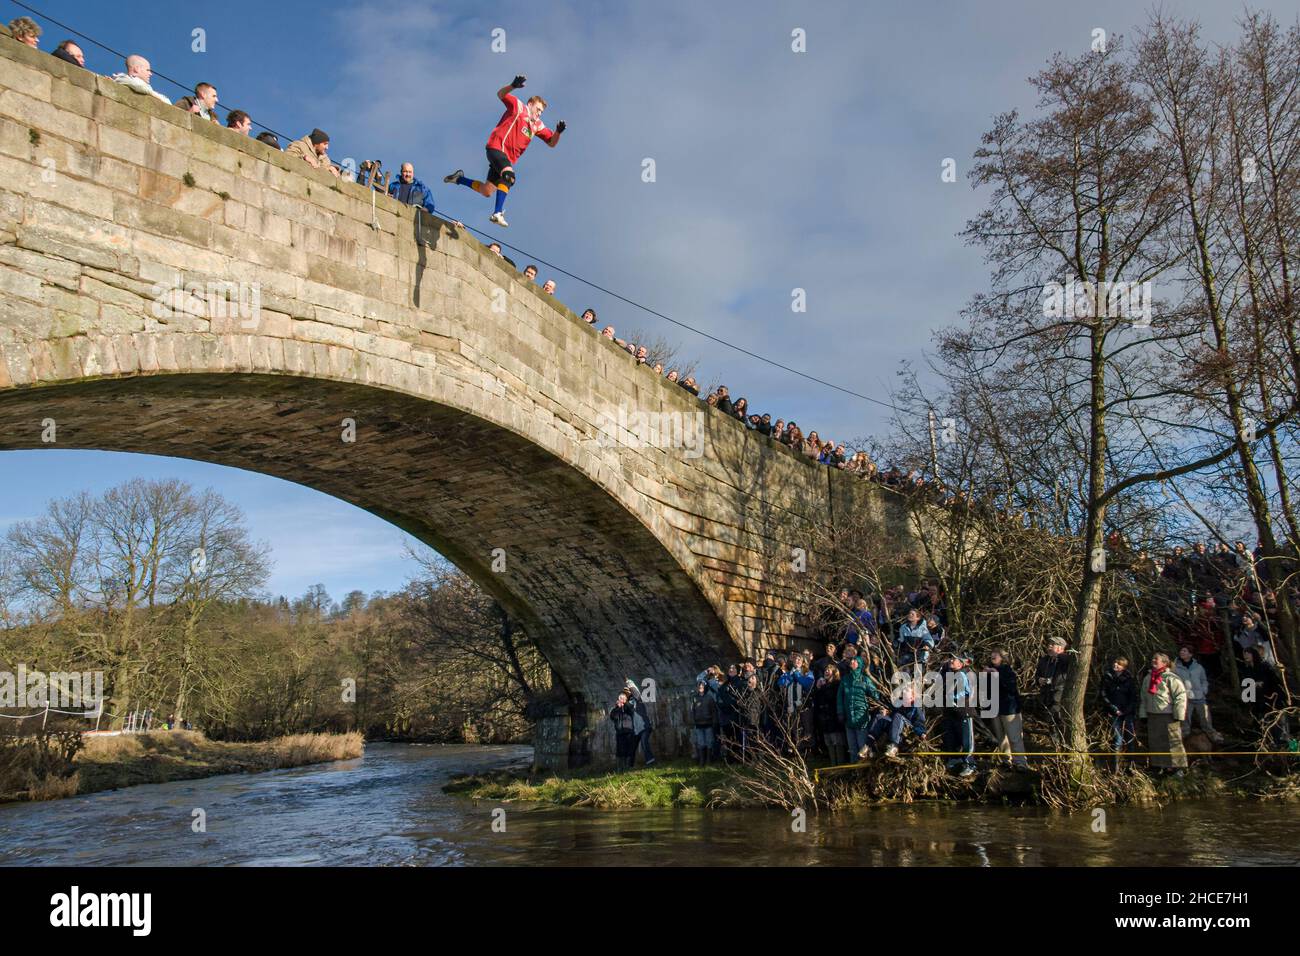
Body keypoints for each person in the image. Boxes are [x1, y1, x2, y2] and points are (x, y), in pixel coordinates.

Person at [444, 75, 564, 227]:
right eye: (538, 109)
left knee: (486, 191)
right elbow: (501, 94)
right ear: (530, 104)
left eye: (541, 112)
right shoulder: (519, 107)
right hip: (496, 148)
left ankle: (459, 178)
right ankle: (497, 213)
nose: (539, 113)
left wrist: (558, 132)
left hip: (505, 160)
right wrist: (513, 85)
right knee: (509, 177)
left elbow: (552, 143)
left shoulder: (538, 125)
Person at [1138, 652, 1189, 775]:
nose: (1154, 661)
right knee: (1155, 741)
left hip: (1169, 715)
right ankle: (1159, 766)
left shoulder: (1171, 677)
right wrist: (1143, 714)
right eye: (1153, 658)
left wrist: (1179, 715)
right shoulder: (1147, 678)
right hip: (1152, 714)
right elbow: (1143, 697)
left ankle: (1179, 768)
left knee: (1173, 742)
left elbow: (1180, 696)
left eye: (1157, 659)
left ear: (1165, 662)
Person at [1240, 646, 1290, 748]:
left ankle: (1283, 743)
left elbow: (1274, 681)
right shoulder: (1247, 669)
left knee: (1278, 722)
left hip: (1273, 699)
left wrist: (1263, 683)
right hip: (1259, 701)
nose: (1245, 656)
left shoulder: (1265, 666)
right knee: (1264, 722)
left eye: (1248, 653)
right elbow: (1247, 685)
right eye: (1244, 654)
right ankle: (1270, 743)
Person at [985, 649, 1027, 768]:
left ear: (1002, 658)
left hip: (1009, 709)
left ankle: (1020, 762)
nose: (992, 658)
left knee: (1014, 737)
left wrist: (996, 675)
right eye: (991, 656)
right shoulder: (988, 671)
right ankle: (1006, 760)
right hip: (994, 708)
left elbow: (1011, 688)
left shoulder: (1008, 671)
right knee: (1001, 737)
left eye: (995, 656)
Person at [838, 655, 884, 760]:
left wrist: (880, 697)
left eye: (855, 660)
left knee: (862, 747)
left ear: (859, 664)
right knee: (852, 748)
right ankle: (854, 772)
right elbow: (839, 697)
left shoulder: (865, 679)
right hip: (848, 718)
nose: (852, 661)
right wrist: (840, 712)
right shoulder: (845, 680)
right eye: (852, 660)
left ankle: (864, 771)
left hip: (861, 719)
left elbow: (875, 695)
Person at [1174, 646, 1223, 745]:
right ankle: (1183, 738)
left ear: (1190, 654)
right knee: (1185, 720)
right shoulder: (1175, 667)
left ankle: (1213, 736)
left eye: (1184, 651)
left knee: (1205, 718)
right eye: (1181, 650)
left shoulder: (1198, 667)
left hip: (1199, 697)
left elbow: (1204, 680)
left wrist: (1204, 690)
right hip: (1185, 698)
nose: (1182, 652)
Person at [940, 654, 977, 777]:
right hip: (953, 712)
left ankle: (970, 764)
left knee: (967, 740)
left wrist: (952, 699)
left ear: (960, 664)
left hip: (963, 710)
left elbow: (962, 692)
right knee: (954, 737)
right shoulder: (949, 674)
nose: (951, 660)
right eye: (951, 659)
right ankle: (956, 761)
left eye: (954, 660)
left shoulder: (961, 674)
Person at [1101, 656, 1139, 763]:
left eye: (1119, 664)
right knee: (1117, 740)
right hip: (1113, 712)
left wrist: (1126, 711)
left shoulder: (1129, 679)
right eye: (1114, 663)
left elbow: (1133, 697)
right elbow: (1103, 694)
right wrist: (1113, 708)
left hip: (1127, 713)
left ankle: (1130, 765)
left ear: (1123, 667)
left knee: (1130, 739)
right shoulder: (1107, 677)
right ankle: (1115, 768)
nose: (1115, 665)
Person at [1034, 636, 1071, 733]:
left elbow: (1068, 660)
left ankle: (1060, 741)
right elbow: (1037, 675)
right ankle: (1055, 741)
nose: (1049, 646)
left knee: (1057, 718)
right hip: (1046, 695)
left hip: (1059, 695)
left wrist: (1058, 654)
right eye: (1049, 644)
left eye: (1052, 644)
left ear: (1060, 648)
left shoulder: (1065, 659)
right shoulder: (1044, 660)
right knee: (1049, 719)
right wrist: (1039, 680)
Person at [812, 665, 846, 763]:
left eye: (828, 670)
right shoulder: (822, 685)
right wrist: (818, 688)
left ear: (834, 672)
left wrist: (823, 687)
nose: (826, 672)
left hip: (835, 717)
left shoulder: (837, 684)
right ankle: (833, 765)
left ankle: (840, 765)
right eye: (825, 670)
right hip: (824, 719)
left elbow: (831, 697)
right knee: (829, 742)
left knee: (838, 742)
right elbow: (817, 701)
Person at [690, 680, 719, 766]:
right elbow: (692, 711)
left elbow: (714, 711)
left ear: (705, 687)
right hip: (698, 724)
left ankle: (708, 760)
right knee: (701, 742)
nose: (700, 687)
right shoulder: (694, 698)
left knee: (709, 742)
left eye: (702, 686)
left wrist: (714, 722)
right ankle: (701, 760)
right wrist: (693, 720)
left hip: (708, 724)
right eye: (699, 686)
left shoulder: (709, 698)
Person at [608, 692, 638, 770]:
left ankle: (628, 767)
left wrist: (625, 702)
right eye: (620, 698)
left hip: (628, 731)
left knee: (629, 749)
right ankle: (620, 768)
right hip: (620, 733)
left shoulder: (628, 707)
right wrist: (618, 707)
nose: (621, 700)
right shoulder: (615, 709)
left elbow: (632, 710)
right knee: (620, 751)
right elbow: (612, 717)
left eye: (623, 698)